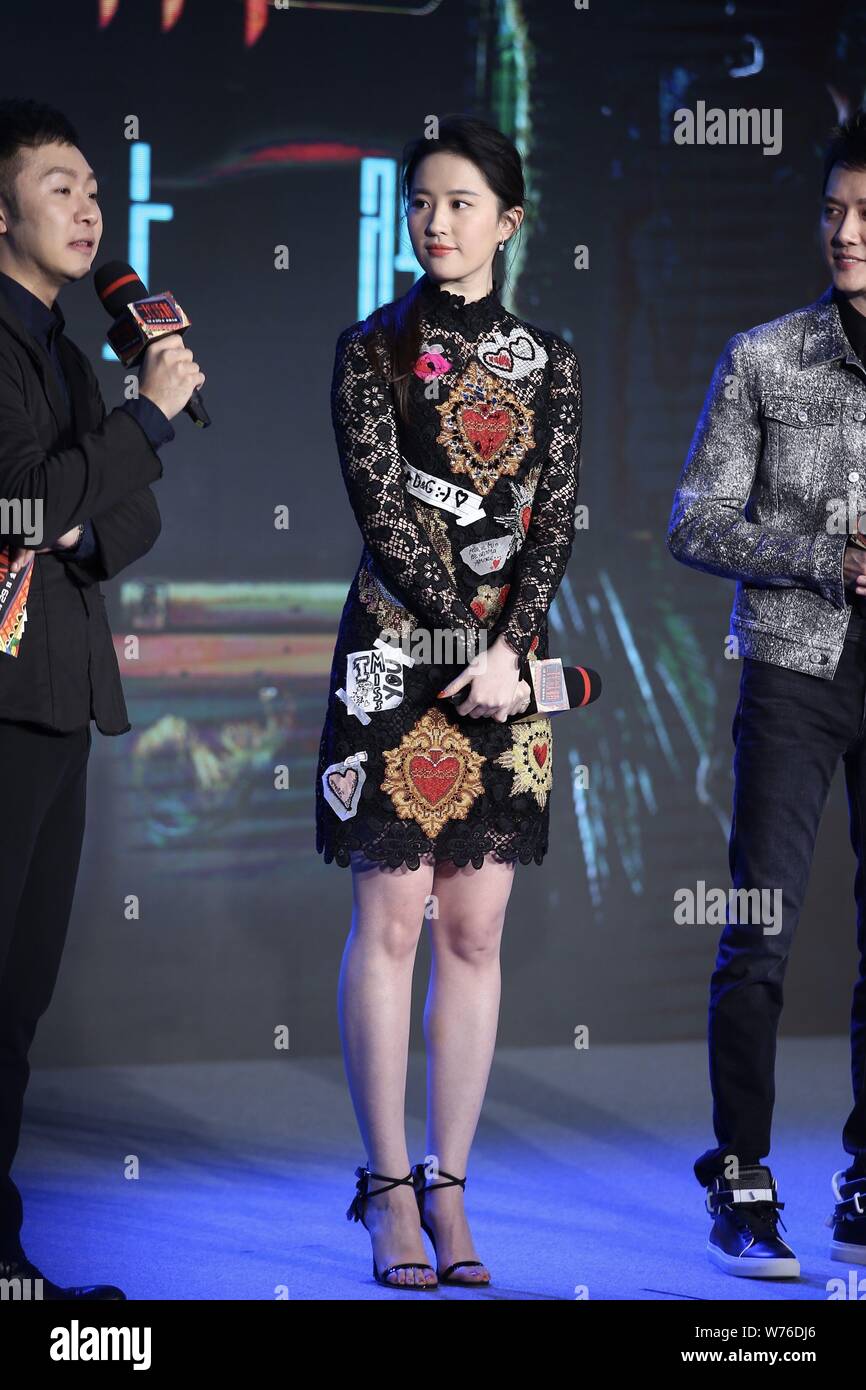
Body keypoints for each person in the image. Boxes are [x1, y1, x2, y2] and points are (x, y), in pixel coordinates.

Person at [315, 115, 583, 1289]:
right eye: (421, 200)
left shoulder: (551, 361)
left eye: (461, 201)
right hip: (395, 662)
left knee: (472, 932)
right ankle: (384, 1193)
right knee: (390, 923)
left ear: (507, 221)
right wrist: (462, 643)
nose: (436, 220)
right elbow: (387, 517)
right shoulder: (367, 349)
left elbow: (553, 522)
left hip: (505, 674)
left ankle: (450, 1186)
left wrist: (509, 650)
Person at [0, 98, 204, 1300]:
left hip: (59, 693)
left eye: (93, 186)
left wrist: (98, 465)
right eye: (60, 184)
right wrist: (136, 427)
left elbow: (123, 516)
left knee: (19, 995)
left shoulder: (74, 355)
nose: (88, 205)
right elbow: (24, 502)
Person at [667, 107, 866, 1279]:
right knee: (758, 936)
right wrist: (824, 557)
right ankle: (739, 1177)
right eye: (832, 212)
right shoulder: (763, 356)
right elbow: (693, 519)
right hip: (792, 669)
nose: (843, 234)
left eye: (865, 216)